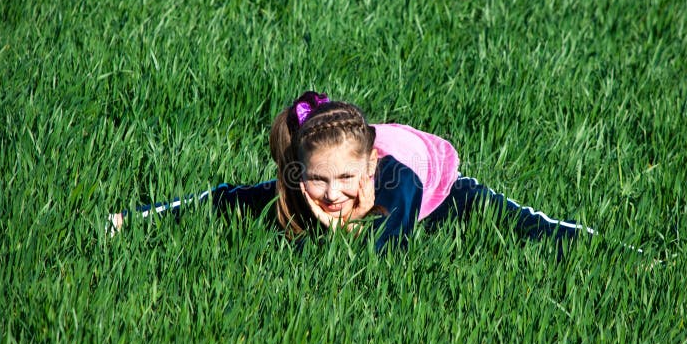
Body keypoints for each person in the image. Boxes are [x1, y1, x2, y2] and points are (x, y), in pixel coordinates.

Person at [109, 91, 594, 257]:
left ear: (369, 165)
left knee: (528, 227)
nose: (332, 192)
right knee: (252, 202)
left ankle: (609, 247)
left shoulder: (395, 181)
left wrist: (334, 234)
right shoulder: (300, 183)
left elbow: (380, 261)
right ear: (300, 171)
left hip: (441, 190)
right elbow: (223, 198)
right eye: (318, 180)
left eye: (345, 179)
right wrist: (132, 220)